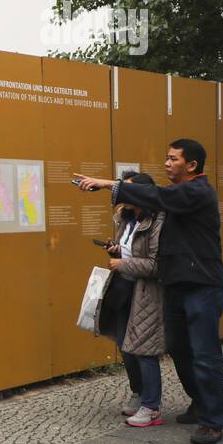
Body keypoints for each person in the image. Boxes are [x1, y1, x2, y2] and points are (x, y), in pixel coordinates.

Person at [75, 138, 223, 444]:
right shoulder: (175, 197)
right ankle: (199, 402)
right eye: (167, 158)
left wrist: (109, 184)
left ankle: (212, 421)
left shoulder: (197, 191)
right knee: (180, 348)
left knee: (204, 353)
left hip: (202, 286)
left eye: (173, 159)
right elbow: (155, 204)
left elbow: (157, 195)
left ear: (192, 165)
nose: (167, 163)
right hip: (176, 285)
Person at [94, 172, 167, 426]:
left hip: (146, 291)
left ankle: (151, 404)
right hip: (125, 288)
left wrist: (123, 262)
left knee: (143, 349)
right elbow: (132, 249)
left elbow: (156, 264)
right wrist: (118, 249)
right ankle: (140, 394)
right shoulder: (128, 219)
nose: (124, 195)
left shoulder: (156, 221)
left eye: (129, 190)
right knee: (126, 345)